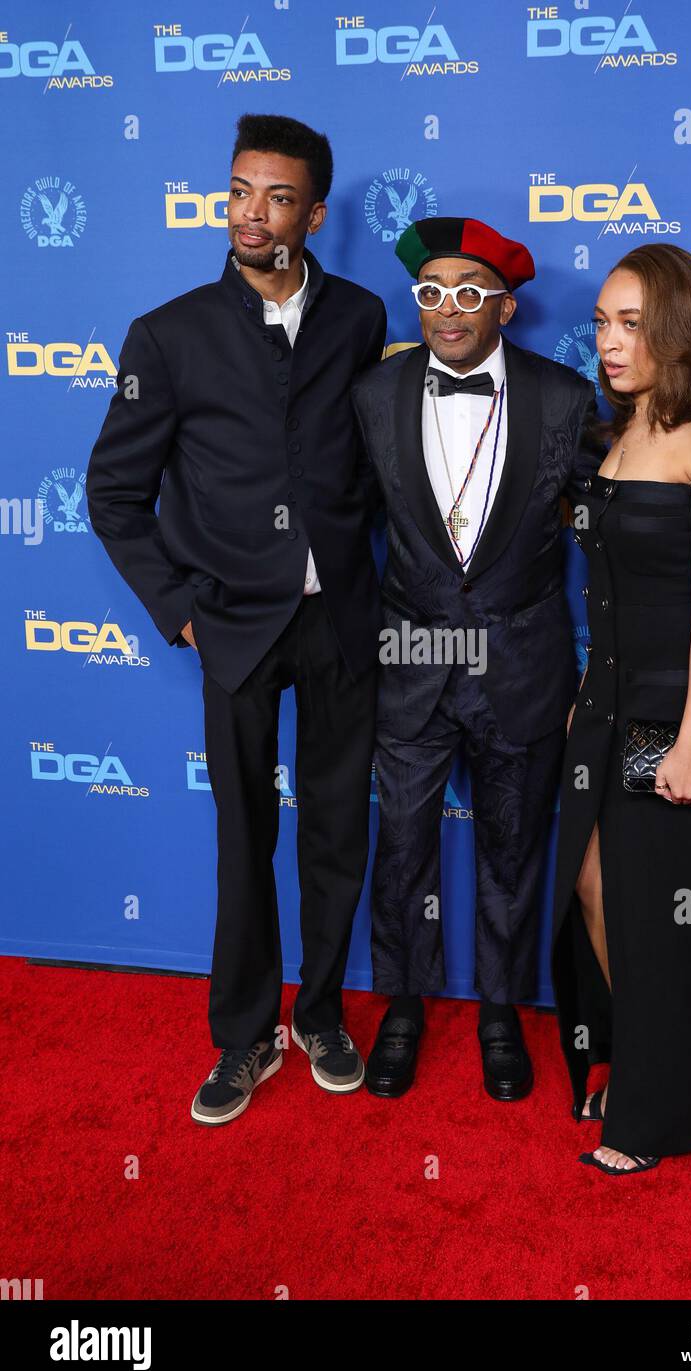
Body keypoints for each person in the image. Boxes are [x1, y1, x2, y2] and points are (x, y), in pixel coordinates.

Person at [86, 114, 387, 1125]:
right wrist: (179, 613)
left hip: (341, 618)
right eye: (238, 191)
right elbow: (113, 493)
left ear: (313, 211)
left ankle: (321, 1013)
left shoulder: (357, 314)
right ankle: (245, 1034)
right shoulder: (166, 334)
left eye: (275, 197)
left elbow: (366, 466)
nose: (250, 214)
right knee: (243, 836)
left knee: (339, 830)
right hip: (234, 626)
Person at [351, 216, 603, 1101]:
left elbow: (618, 512)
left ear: (505, 306)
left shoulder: (566, 399)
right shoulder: (373, 396)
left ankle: (501, 1011)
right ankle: (404, 1010)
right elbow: (337, 522)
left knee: (512, 849)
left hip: (523, 666)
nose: (446, 312)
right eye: (430, 295)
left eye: (467, 295)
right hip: (411, 659)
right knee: (405, 849)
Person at [551, 243, 691, 1175]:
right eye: (600, 322)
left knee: (669, 909)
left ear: (676, 327)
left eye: (631, 323)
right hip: (610, 697)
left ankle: (667, 1105)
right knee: (593, 885)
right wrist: (589, 699)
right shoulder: (617, 432)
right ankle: (641, 1053)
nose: (610, 340)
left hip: (682, 705)